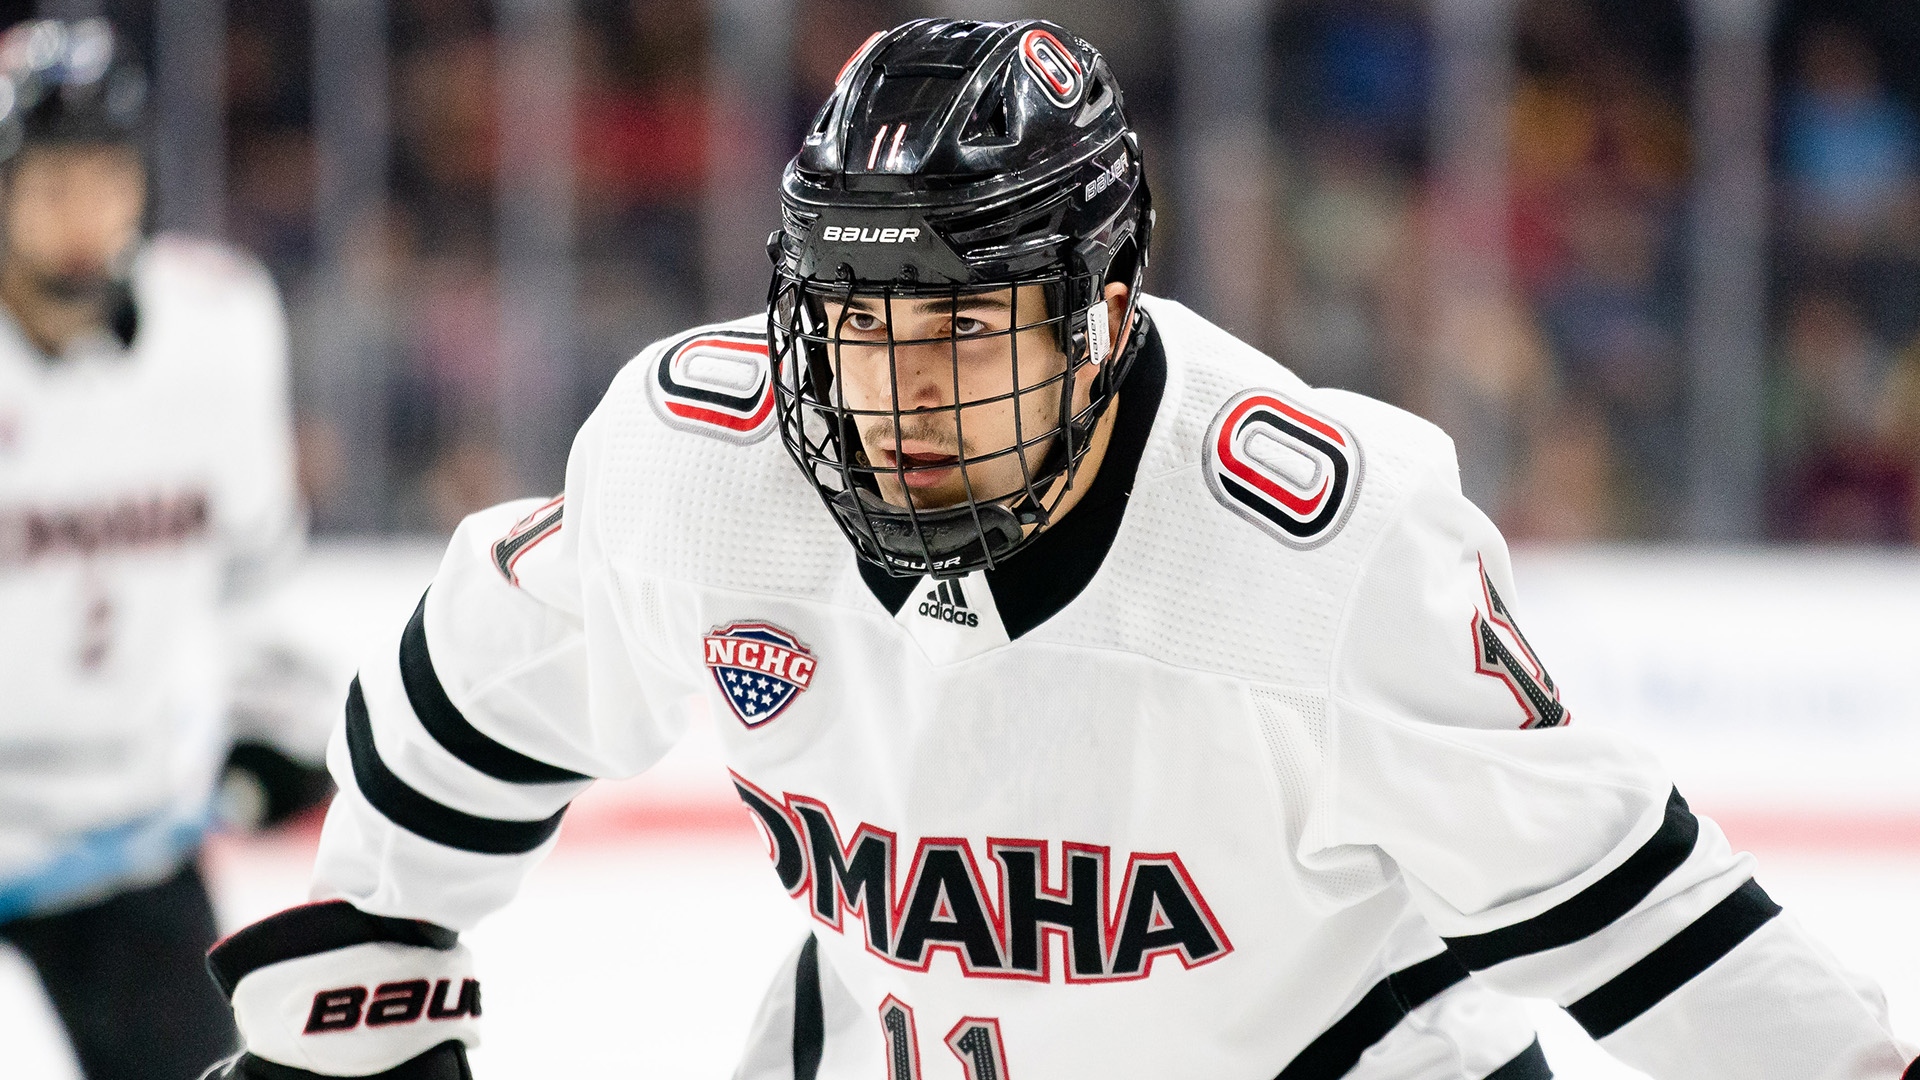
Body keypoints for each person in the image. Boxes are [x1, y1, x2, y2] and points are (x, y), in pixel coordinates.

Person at [203, 19, 1916, 1080]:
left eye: (966, 325)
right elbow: (478, 684)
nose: (899, 392)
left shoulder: (1317, 549)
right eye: (861, 324)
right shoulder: (701, 470)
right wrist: (377, 950)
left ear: (1102, 309)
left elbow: (1637, 918)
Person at [0, 18, 321, 1080]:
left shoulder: (216, 327)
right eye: (48, 184)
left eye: (104, 177)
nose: (83, 213)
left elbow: (253, 562)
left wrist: (274, 718)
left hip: (122, 831)